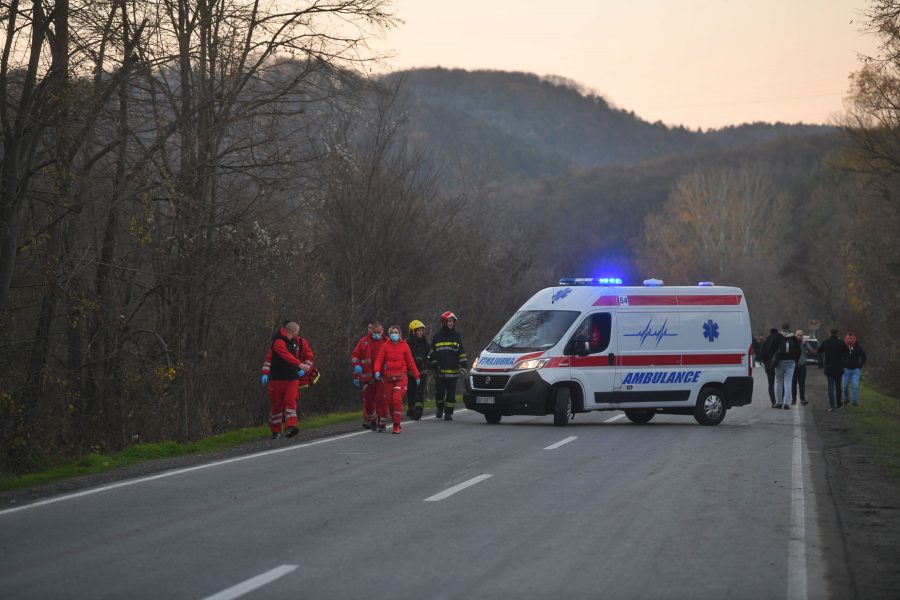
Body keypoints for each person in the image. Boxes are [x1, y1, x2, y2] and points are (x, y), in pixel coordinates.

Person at [260, 321, 314, 439]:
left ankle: (290, 427)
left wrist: (303, 369)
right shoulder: (278, 342)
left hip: (292, 377)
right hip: (277, 378)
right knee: (277, 405)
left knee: (291, 401)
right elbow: (279, 357)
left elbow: (309, 357)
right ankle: (275, 430)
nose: (298, 334)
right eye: (297, 331)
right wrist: (265, 372)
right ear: (292, 331)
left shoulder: (300, 342)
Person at [374, 325, 421, 434]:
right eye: (392, 333)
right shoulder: (385, 346)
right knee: (390, 402)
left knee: (396, 398)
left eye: (396, 332)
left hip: (401, 377)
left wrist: (416, 375)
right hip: (388, 378)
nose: (394, 334)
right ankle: (395, 419)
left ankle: (397, 425)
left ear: (399, 334)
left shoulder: (404, 346)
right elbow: (379, 360)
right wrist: (377, 370)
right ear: (389, 334)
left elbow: (410, 361)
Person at [429, 310, 468, 421]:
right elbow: (432, 353)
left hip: (453, 371)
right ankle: (440, 408)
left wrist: (464, 365)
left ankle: (448, 413)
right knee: (439, 393)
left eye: (452, 321)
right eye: (449, 321)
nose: (451, 323)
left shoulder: (456, 336)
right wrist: (434, 365)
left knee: (451, 394)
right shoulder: (437, 336)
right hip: (440, 371)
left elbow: (461, 352)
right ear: (444, 322)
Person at [351, 321, 388, 430]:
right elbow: (355, 356)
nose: (376, 334)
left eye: (378, 332)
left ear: (382, 331)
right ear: (372, 331)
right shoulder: (364, 342)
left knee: (381, 399)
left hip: (382, 377)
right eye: (374, 332)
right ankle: (372, 419)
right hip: (368, 378)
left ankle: (382, 422)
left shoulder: (387, 342)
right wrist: (356, 366)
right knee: (368, 402)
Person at [405, 319, 430, 420]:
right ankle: (411, 409)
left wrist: (429, 362)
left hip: (422, 372)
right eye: (418, 330)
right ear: (413, 331)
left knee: (419, 392)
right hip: (410, 373)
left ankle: (418, 411)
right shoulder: (407, 343)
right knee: (411, 393)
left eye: (421, 330)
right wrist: (415, 360)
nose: (421, 332)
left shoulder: (425, 342)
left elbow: (429, 353)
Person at [818, 329, 849, 412]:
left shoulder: (826, 342)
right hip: (839, 367)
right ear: (837, 334)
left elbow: (819, 350)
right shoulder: (841, 343)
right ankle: (839, 403)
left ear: (830, 333)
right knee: (838, 386)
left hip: (829, 367)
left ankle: (832, 405)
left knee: (830, 386)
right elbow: (847, 351)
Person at [773, 323, 801, 410]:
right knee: (788, 382)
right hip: (791, 362)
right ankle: (786, 403)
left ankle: (778, 402)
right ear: (789, 329)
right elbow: (799, 350)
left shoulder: (778, 336)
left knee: (778, 381)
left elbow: (771, 348)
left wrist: (773, 359)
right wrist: (795, 360)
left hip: (780, 362)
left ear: (782, 328)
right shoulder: (793, 337)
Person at [841, 332, 867, 406]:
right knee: (845, 386)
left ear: (854, 339)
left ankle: (855, 401)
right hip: (846, 370)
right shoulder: (843, 347)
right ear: (846, 339)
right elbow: (839, 357)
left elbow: (864, 358)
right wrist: (842, 364)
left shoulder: (858, 347)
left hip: (856, 370)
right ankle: (846, 398)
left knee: (855, 386)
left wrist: (859, 365)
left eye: (851, 338)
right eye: (848, 338)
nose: (850, 340)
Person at [762, 327, 781, 408]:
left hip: (769, 364)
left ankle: (773, 402)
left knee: (771, 384)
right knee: (780, 382)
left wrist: (765, 362)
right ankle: (781, 401)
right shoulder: (780, 340)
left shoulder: (766, 340)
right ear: (777, 332)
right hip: (779, 364)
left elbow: (762, 353)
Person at [791, 329, 808, 406]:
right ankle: (793, 399)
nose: (799, 336)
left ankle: (802, 399)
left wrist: (806, 343)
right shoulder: (792, 343)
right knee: (793, 383)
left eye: (801, 335)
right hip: (793, 366)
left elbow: (813, 349)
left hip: (802, 366)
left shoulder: (804, 343)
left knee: (802, 383)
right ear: (795, 335)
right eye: (798, 334)